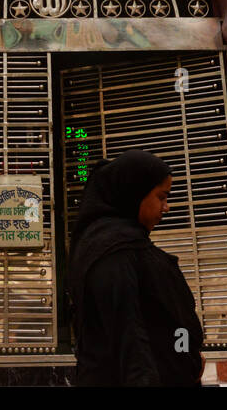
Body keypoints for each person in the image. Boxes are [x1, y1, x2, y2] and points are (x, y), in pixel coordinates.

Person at [68, 149, 204, 386]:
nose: (166, 207)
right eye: (161, 197)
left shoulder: (130, 246)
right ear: (134, 194)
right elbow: (128, 336)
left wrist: (186, 356)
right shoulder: (113, 254)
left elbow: (175, 322)